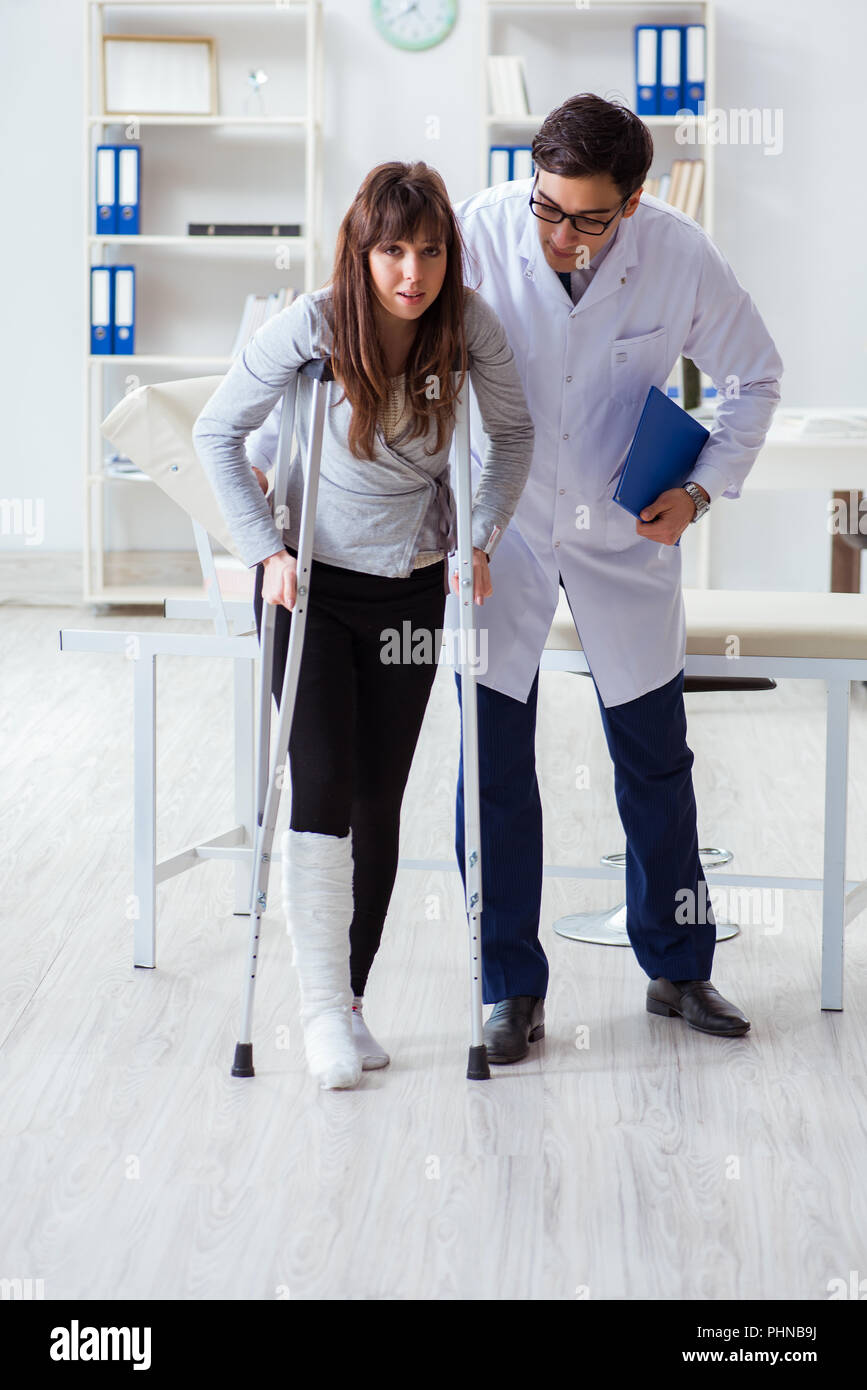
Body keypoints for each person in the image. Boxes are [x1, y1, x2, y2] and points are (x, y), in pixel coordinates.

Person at [443, 94, 784, 1061]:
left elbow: (753, 376)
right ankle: (507, 985)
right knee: (493, 760)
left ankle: (678, 968)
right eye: (546, 208)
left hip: (623, 528)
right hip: (500, 531)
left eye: (586, 217)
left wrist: (702, 491)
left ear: (631, 203)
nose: (557, 234)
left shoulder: (678, 255)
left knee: (652, 757)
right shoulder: (481, 228)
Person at [192, 162, 534, 1089]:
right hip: (310, 593)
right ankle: (314, 1013)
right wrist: (265, 549)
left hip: (412, 590)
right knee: (325, 787)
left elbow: (514, 437)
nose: (410, 272)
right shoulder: (310, 322)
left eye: (428, 251)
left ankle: (347, 1000)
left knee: (380, 800)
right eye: (392, 251)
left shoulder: (469, 327)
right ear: (363, 250)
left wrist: (483, 535)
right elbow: (215, 434)